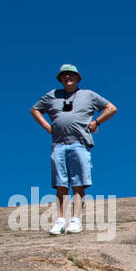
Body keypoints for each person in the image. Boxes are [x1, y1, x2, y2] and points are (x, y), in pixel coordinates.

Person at [30, 64, 117, 235]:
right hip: (59, 144)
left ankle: (75, 220)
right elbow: (35, 110)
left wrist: (96, 122)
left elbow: (111, 108)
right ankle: (60, 220)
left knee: (78, 184)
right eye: (64, 75)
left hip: (80, 143)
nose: (67, 78)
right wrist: (48, 127)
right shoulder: (52, 95)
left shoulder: (88, 95)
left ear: (77, 78)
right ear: (60, 78)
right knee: (60, 184)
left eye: (71, 75)